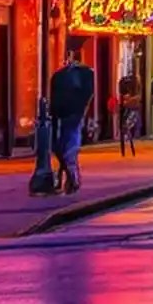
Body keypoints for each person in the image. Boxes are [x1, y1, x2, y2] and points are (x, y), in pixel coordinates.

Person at [49, 44, 95, 194]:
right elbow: (88, 94)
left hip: (67, 114)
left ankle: (71, 176)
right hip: (68, 114)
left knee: (64, 145)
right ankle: (70, 175)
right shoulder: (67, 75)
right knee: (65, 145)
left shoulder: (68, 75)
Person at [117, 71, 141, 157]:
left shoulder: (131, 82)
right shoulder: (133, 82)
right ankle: (130, 137)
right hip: (129, 107)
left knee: (128, 124)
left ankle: (130, 136)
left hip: (129, 106)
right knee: (128, 124)